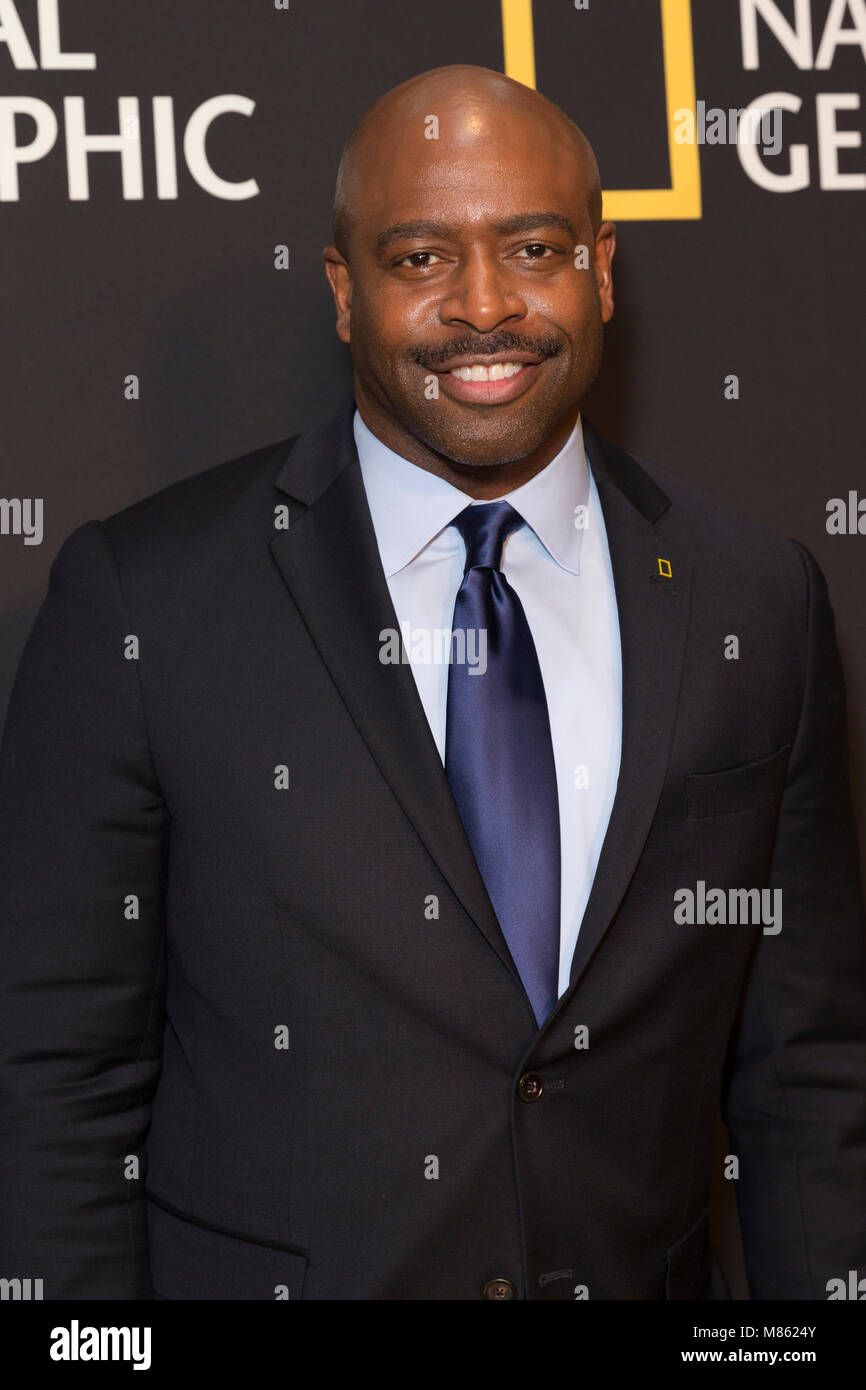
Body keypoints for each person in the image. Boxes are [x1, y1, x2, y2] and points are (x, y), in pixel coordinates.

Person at [1, 64, 864, 1301]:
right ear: (344, 290)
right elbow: (53, 1086)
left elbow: (806, 1076)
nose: (483, 307)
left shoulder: (752, 597)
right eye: (419, 259)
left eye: (532, 247)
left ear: (602, 267)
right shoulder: (145, 602)